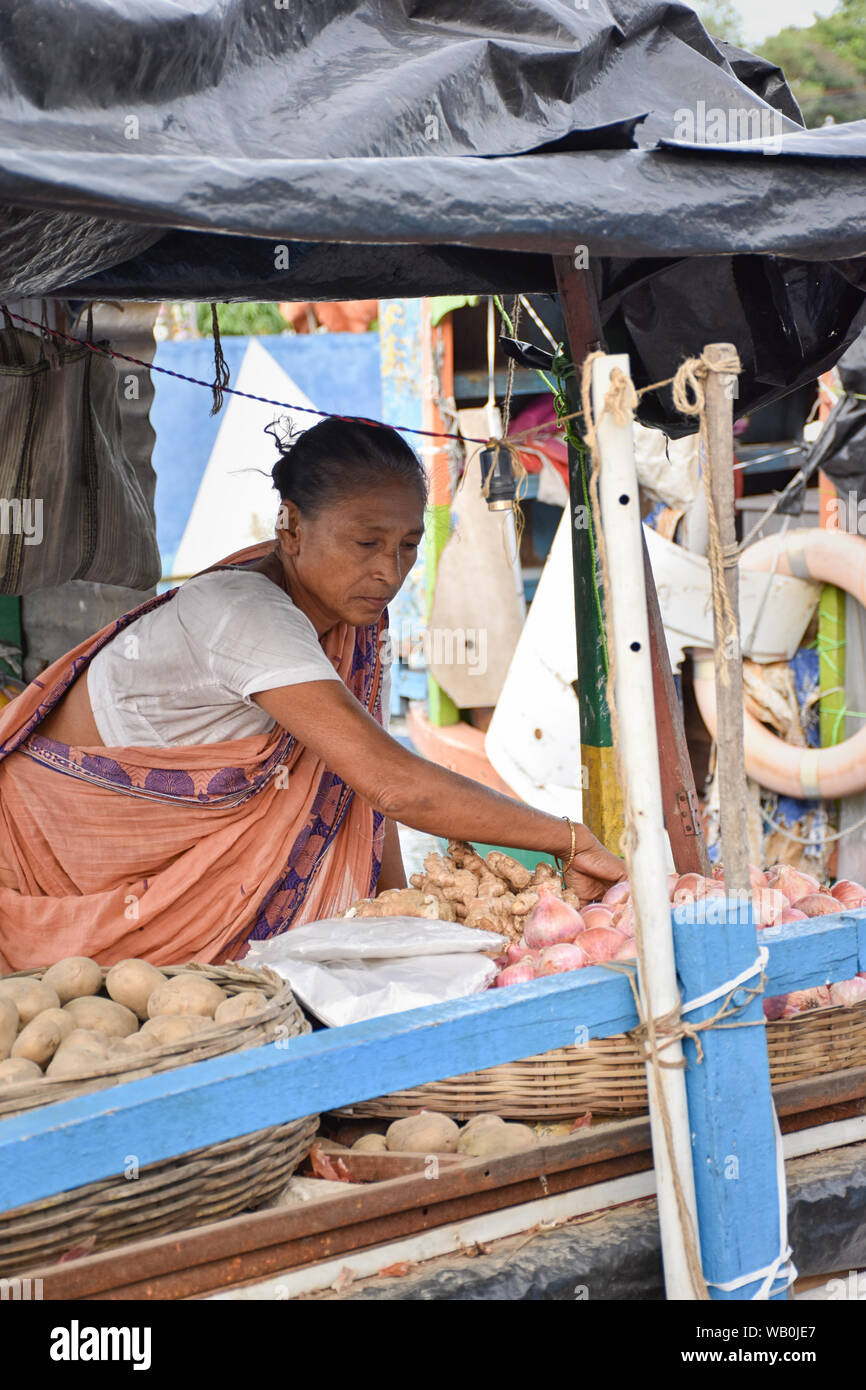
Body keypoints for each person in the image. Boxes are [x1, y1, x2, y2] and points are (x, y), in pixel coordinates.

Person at [0, 418, 624, 971]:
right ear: (292, 526)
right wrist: (569, 838)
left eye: (408, 545)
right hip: (53, 868)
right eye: (366, 543)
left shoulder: (347, 626)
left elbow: (363, 793)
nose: (389, 570)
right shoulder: (242, 613)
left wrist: (401, 920)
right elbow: (393, 783)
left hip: (151, 890)